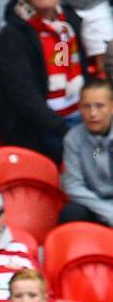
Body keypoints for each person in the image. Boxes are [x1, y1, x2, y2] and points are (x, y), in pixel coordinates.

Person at [0, 0, 86, 164]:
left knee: (101, 150)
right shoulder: (13, 35)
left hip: (81, 117)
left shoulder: (71, 23)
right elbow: (24, 96)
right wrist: (65, 131)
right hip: (44, 129)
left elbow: (85, 71)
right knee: (92, 155)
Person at [60, 77, 113, 227]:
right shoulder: (73, 139)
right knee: (71, 212)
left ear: (112, 107)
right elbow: (73, 185)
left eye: (99, 106)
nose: (93, 113)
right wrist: (109, 213)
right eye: (86, 106)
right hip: (93, 203)